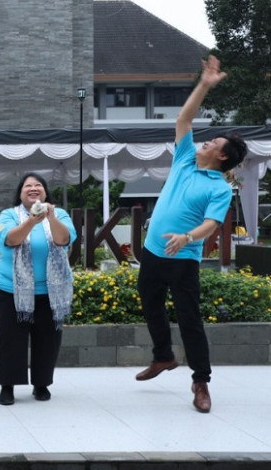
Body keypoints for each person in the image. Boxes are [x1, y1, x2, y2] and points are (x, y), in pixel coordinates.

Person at [135, 55, 247, 414]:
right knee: (150, 305)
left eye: (213, 143)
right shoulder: (184, 158)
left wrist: (187, 238)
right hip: (153, 252)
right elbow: (184, 119)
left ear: (223, 158)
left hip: (182, 258)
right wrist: (204, 84)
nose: (206, 143)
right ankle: (164, 357)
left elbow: (212, 225)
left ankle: (201, 382)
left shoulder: (219, 186)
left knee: (189, 319)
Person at [0, 173, 75, 405]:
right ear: (20, 193)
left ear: (45, 193)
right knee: (10, 340)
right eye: (28, 185)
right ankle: (7, 386)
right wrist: (31, 220)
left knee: (48, 340)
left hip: (51, 292)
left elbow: (63, 239)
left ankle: (41, 384)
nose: (33, 188)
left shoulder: (60, 214)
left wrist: (51, 217)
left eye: (38, 185)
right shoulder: (8, 215)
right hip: (11, 290)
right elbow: (10, 240)